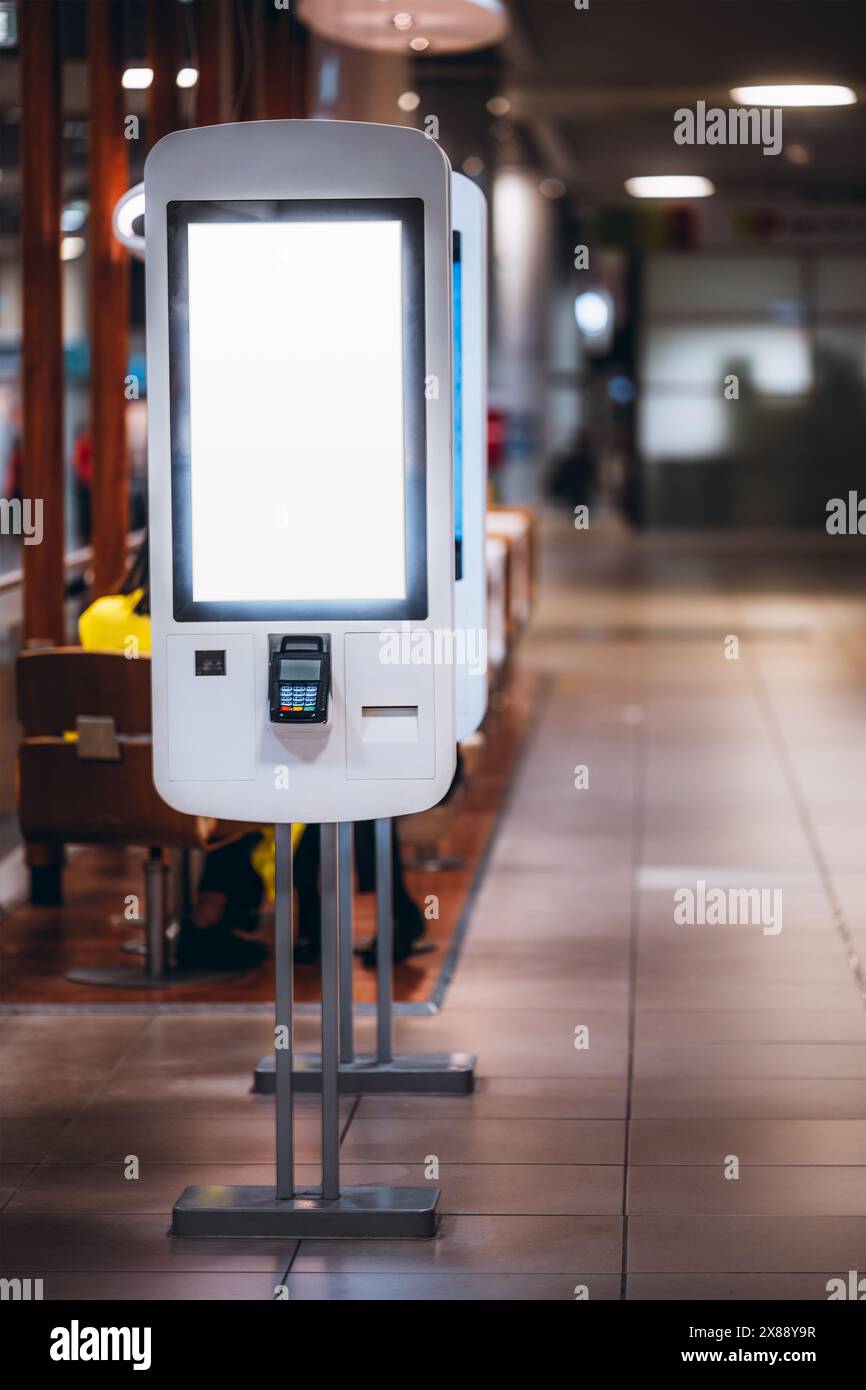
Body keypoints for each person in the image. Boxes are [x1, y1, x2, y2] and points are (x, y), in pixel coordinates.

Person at [78, 535, 267, 972]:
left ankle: (205, 916)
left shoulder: (99, 618)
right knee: (263, 779)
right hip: (187, 788)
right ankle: (211, 913)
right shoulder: (215, 624)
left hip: (105, 785)